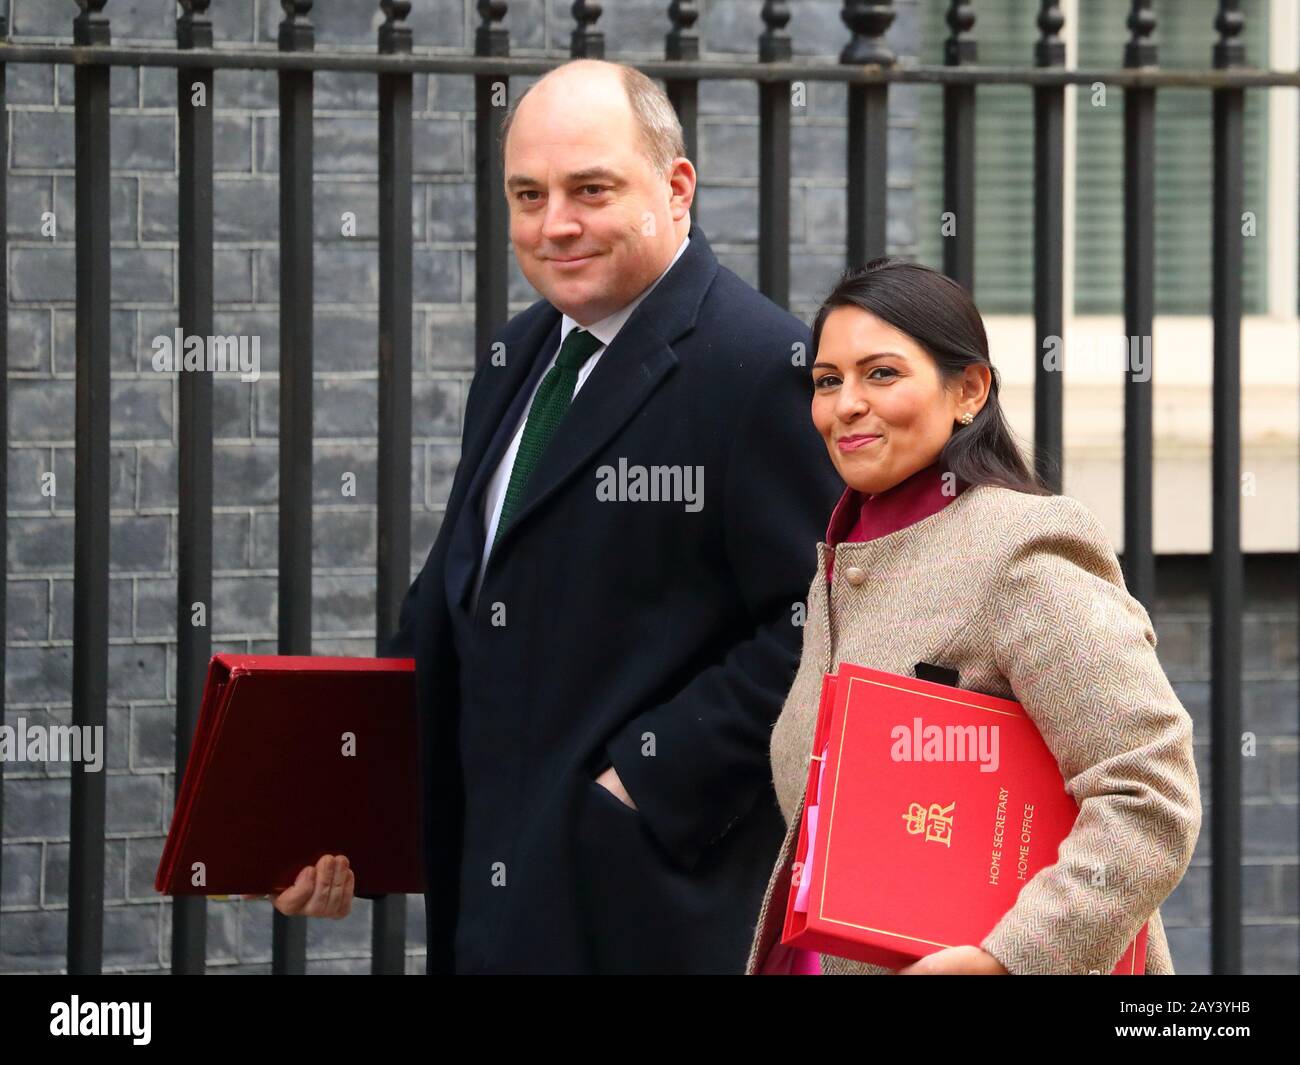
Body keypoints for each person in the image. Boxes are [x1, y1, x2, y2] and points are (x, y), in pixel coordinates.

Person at [250, 59, 842, 974]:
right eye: (528, 195)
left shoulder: (763, 366)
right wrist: (337, 814)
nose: (554, 223)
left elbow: (821, 630)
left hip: (646, 918)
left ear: (676, 187)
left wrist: (639, 783)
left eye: (590, 190)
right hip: (494, 903)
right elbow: (453, 610)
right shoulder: (520, 354)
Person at [746, 258, 1202, 975]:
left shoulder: (1018, 547)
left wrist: (1007, 959)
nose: (846, 405)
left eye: (882, 374)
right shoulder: (840, 563)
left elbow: (1149, 793)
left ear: (969, 390)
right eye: (828, 381)